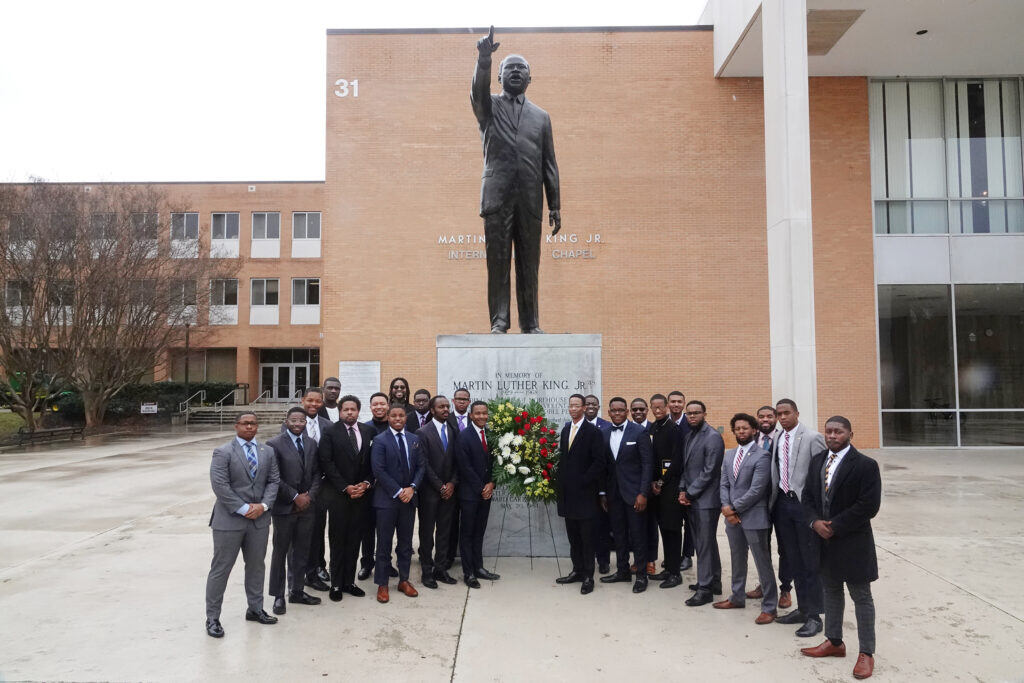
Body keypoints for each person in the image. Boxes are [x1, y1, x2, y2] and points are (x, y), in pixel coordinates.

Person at [472, 26, 560, 334]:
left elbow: (549, 162)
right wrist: (484, 59)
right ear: (499, 77)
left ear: (530, 78)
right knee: (497, 264)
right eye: (509, 68)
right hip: (497, 197)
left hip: (530, 200)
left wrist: (555, 205)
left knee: (528, 264)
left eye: (521, 68)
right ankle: (499, 321)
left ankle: (531, 323)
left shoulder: (542, 117)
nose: (516, 72)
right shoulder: (489, 107)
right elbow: (477, 92)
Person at [801, 416, 881, 680]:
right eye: (829, 431)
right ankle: (834, 642)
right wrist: (814, 522)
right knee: (831, 592)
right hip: (823, 542)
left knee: (861, 597)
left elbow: (868, 506)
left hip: (853, 542)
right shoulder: (817, 461)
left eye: (838, 432)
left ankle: (866, 653)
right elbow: (808, 497)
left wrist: (834, 525)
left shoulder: (866, 466)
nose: (832, 436)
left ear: (850, 433)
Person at [204, 412, 280, 638]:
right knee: (221, 569)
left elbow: (274, 481)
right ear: (236, 426)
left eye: (253, 423)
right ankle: (212, 617)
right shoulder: (223, 452)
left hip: (259, 520)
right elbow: (220, 485)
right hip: (229, 520)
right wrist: (245, 508)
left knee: (256, 566)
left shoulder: (268, 452)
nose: (249, 427)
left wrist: (264, 506)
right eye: (245, 423)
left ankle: (255, 609)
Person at [771, 398, 827, 637]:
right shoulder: (777, 438)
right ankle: (802, 610)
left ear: (796, 413)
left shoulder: (812, 437)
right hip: (783, 504)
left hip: (804, 506)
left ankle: (815, 616)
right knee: (793, 559)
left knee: (810, 561)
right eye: (779, 414)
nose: (782, 417)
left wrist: (820, 511)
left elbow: (823, 473)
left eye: (787, 413)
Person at [715, 413, 778, 624]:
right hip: (731, 519)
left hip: (753, 517)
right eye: (738, 428)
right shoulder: (728, 455)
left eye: (745, 428)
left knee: (763, 563)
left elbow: (757, 490)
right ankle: (737, 596)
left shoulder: (762, 456)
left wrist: (733, 508)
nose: (741, 431)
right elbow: (723, 483)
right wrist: (725, 507)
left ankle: (769, 607)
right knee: (737, 559)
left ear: (754, 430)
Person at [317, 395, 375, 602]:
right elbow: (326, 462)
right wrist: (345, 487)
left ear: (359, 411)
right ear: (340, 412)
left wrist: (366, 484)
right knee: (338, 539)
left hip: (361, 495)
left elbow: (372, 463)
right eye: (345, 409)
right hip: (338, 495)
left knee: (354, 540)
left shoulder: (369, 431)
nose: (349, 412)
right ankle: (336, 584)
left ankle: (349, 582)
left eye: (353, 409)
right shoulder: (330, 432)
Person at [267, 407, 323, 615]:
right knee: (280, 552)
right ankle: (278, 595)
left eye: (302, 420)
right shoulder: (274, 444)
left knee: (302, 551)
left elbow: (318, 473)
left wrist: (309, 496)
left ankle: (297, 591)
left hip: (307, 507)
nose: (299, 423)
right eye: (294, 420)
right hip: (284, 508)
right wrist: (294, 496)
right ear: (287, 421)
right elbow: (274, 477)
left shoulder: (311, 443)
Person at [598, 397, 653, 594]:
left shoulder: (639, 432)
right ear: (609, 412)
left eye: (621, 410)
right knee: (618, 534)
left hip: (634, 494)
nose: (618, 413)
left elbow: (648, 465)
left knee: (637, 536)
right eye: (614, 411)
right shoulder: (603, 433)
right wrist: (603, 493)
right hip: (613, 494)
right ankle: (622, 570)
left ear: (627, 411)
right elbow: (603, 467)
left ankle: (641, 575)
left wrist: (643, 493)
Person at [370, 403, 425, 603]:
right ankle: (382, 583)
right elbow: (379, 470)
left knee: (405, 543)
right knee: (384, 543)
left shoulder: (414, 439)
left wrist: (412, 488)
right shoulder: (379, 440)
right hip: (387, 501)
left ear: (405, 417)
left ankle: (404, 580)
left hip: (408, 500)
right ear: (388, 418)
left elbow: (421, 467)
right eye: (394, 416)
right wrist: (398, 490)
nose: (398, 419)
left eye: (401, 415)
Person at [555, 394, 605, 595]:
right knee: (573, 536)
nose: (573, 408)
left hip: (585, 494)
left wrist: (583, 481)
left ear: (584, 408)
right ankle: (576, 570)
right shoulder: (567, 429)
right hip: (568, 495)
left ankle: (588, 576)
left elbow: (599, 462)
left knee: (586, 538)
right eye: (571, 405)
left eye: (577, 405)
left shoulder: (593, 432)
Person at [679, 400, 725, 607]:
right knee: (704, 543)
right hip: (691, 497)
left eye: (696, 413)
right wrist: (682, 489)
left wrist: (689, 493)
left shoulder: (713, 437)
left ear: (705, 414)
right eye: (689, 413)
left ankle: (705, 589)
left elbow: (710, 471)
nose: (692, 416)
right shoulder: (689, 436)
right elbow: (686, 468)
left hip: (706, 500)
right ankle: (714, 581)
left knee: (704, 545)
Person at [286, 387, 333, 591]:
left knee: (317, 530)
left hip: (320, 487)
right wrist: (297, 493)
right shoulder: (291, 424)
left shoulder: (328, 425)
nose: (313, 405)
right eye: (310, 400)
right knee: (297, 537)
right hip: (296, 491)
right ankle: (297, 576)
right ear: (303, 400)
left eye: (318, 401)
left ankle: (316, 568)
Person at [748, 404, 792, 609]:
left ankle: (785, 589)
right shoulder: (753, 440)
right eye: (761, 416)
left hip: (781, 501)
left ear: (775, 418)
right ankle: (765, 585)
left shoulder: (785, 438)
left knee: (785, 548)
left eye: (769, 416)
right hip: (758, 504)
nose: (765, 420)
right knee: (761, 548)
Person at [454, 400, 499, 587]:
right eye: (478, 413)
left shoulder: (491, 435)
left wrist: (492, 483)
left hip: (486, 493)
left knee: (479, 533)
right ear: (471, 415)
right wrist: (482, 487)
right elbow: (465, 467)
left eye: (484, 413)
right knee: (467, 533)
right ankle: (468, 572)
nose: (482, 416)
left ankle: (479, 567)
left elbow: (495, 464)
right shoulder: (464, 436)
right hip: (470, 494)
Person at [417, 395, 460, 588]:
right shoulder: (422, 432)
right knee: (427, 534)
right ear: (432, 410)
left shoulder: (453, 430)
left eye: (447, 406)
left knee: (444, 532)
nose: (445, 409)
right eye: (441, 407)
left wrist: (451, 483)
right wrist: (439, 486)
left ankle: (440, 569)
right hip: (429, 493)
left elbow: (458, 461)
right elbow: (423, 463)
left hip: (449, 492)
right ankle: (427, 572)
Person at [649, 394, 685, 588]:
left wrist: (661, 482)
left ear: (667, 407)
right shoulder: (653, 428)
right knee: (664, 529)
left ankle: (676, 573)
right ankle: (668, 568)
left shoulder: (674, 429)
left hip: (669, 487)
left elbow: (677, 460)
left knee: (672, 530)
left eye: (660, 407)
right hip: (656, 488)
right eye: (653, 407)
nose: (657, 410)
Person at [358, 392, 394, 581]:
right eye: (375, 404)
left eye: (382, 403)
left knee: (385, 529)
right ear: (370, 407)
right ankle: (367, 563)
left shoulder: (395, 426)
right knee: (368, 528)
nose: (379, 407)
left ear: (388, 405)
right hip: (369, 488)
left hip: (389, 489)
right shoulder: (364, 428)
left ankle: (385, 563)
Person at [667, 390, 695, 571]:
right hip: (669, 482)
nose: (676, 404)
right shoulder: (663, 424)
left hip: (689, 481)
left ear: (683, 404)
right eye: (673, 402)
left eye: (679, 402)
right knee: (672, 520)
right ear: (668, 404)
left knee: (689, 522)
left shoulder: (692, 424)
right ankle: (673, 555)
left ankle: (687, 555)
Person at [445, 387, 472, 571]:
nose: (462, 402)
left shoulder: (475, 419)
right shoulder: (445, 419)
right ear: (453, 401)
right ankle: (448, 556)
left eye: (465, 399)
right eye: (459, 399)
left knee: (468, 522)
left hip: (470, 480)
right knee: (450, 520)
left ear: (469, 401)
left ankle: (468, 557)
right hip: (450, 477)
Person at [584, 393, 612, 573]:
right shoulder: (572, 427)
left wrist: (603, 491)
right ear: (583, 407)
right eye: (588, 404)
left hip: (601, 485)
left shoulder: (607, 427)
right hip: (582, 487)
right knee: (585, 526)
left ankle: (603, 561)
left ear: (598, 406)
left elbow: (607, 461)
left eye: (595, 403)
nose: (591, 406)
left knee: (602, 526)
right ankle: (584, 561)